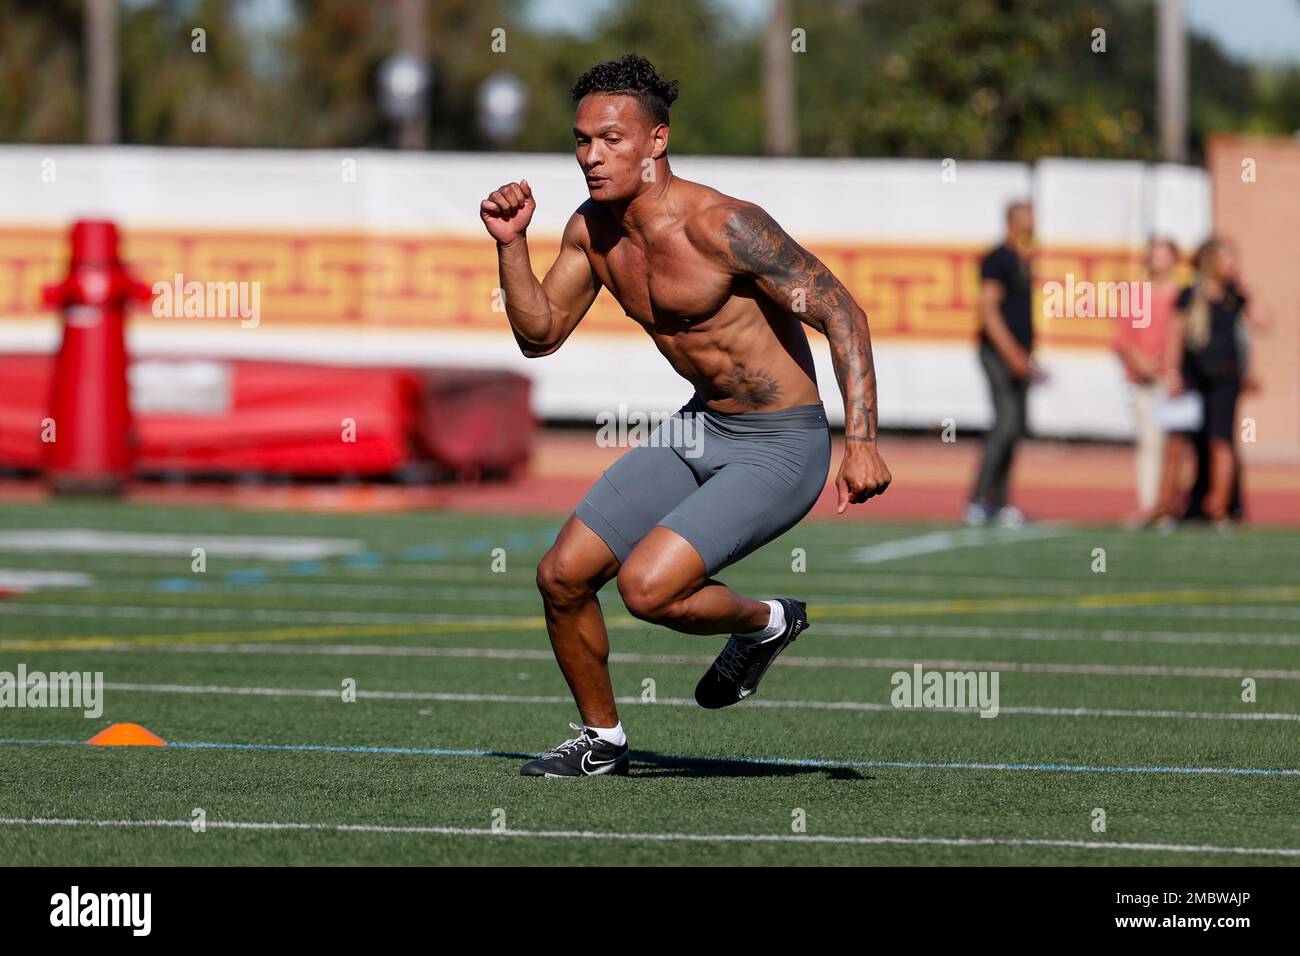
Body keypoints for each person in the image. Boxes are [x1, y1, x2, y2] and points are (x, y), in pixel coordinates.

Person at [479, 54, 891, 776]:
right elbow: (538, 335)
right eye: (582, 141)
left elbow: (843, 313)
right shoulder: (591, 232)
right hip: (700, 426)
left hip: (781, 443)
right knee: (561, 576)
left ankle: (766, 622)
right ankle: (600, 740)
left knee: (647, 589)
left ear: (656, 142)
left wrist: (861, 440)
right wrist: (511, 246)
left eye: (612, 139)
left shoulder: (725, 226)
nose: (593, 156)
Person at [1155, 236, 1264, 527]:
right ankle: (1164, 507)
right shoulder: (1190, 294)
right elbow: (1175, 336)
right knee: (1177, 442)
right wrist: (1172, 372)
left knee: (1221, 441)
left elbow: (1263, 321)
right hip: (1192, 380)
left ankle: (1218, 507)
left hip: (1223, 382)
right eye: (1228, 259)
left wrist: (1244, 286)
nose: (1233, 264)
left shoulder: (1234, 297)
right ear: (1213, 261)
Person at [967, 201, 1039, 527]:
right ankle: (980, 499)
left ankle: (1001, 500)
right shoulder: (998, 258)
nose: (1034, 221)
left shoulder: (1022, 260)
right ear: (1013, 219)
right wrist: (1012, 354)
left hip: (1018, 357)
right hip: (998, 354)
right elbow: (989, 310)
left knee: (1015, 426)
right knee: (1006, 421)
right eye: (1029, 214)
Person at [1113, 238, 1179, 524]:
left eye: (1164, 256)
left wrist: (1167, 365)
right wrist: (1141, 362)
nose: (1158, 261)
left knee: (1174, 446)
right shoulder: (1136, 294)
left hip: (1171, 379)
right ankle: (1149, 504)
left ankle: (1169, 504)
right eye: (1155, 255)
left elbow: (1182, 337)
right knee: (1148, 442)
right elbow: (1121, 339)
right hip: (1142, 380)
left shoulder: (1180, 296)